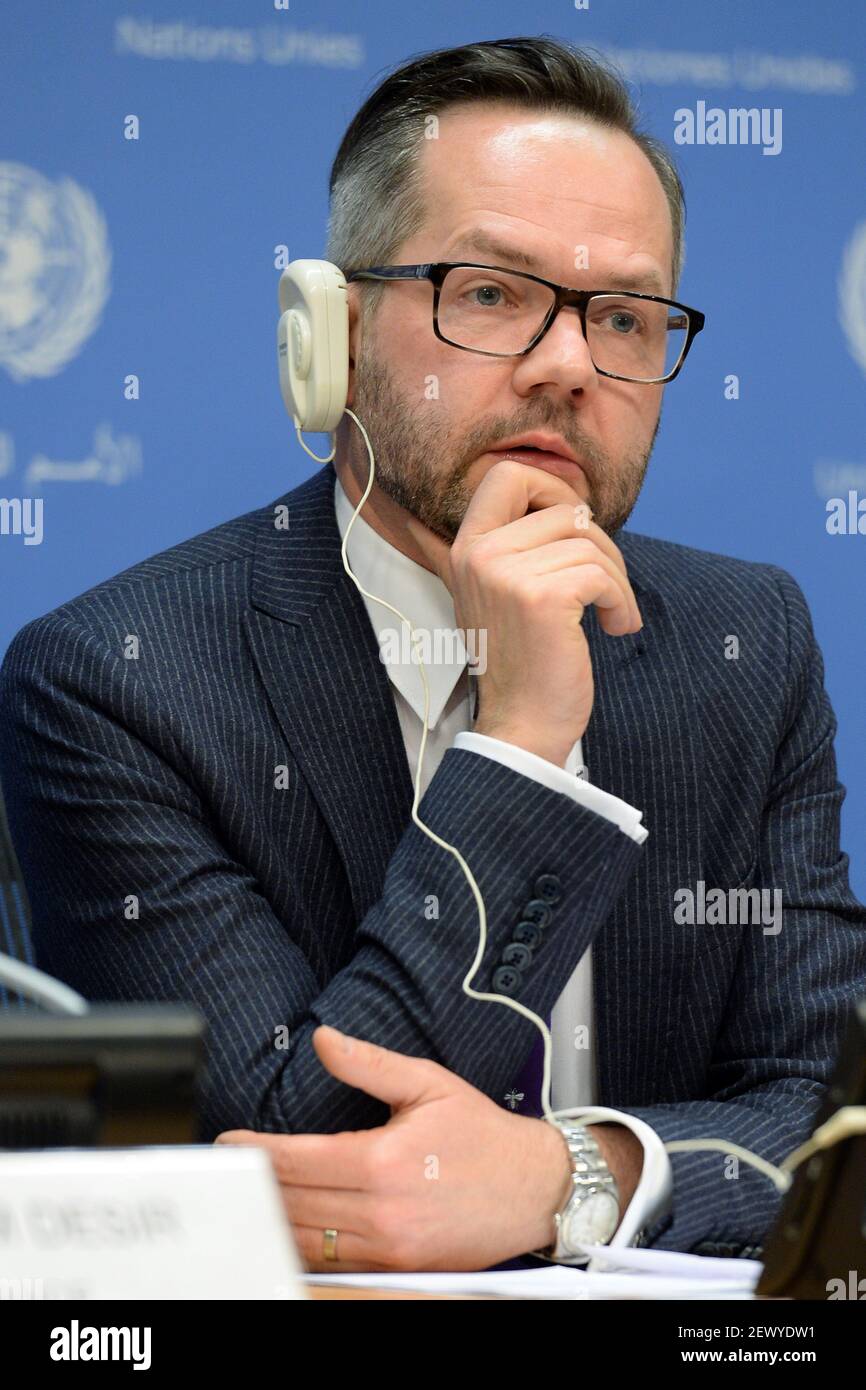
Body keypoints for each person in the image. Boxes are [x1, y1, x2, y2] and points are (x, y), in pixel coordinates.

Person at [1, 37, 864, 1275]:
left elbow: (826, 1117)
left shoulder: (746, 647)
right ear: (330, 333)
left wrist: (578, 1174)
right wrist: (518, 746)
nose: (569, 364)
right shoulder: (116, 681)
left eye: (622, 316)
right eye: (491, 293)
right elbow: (305, 1164)